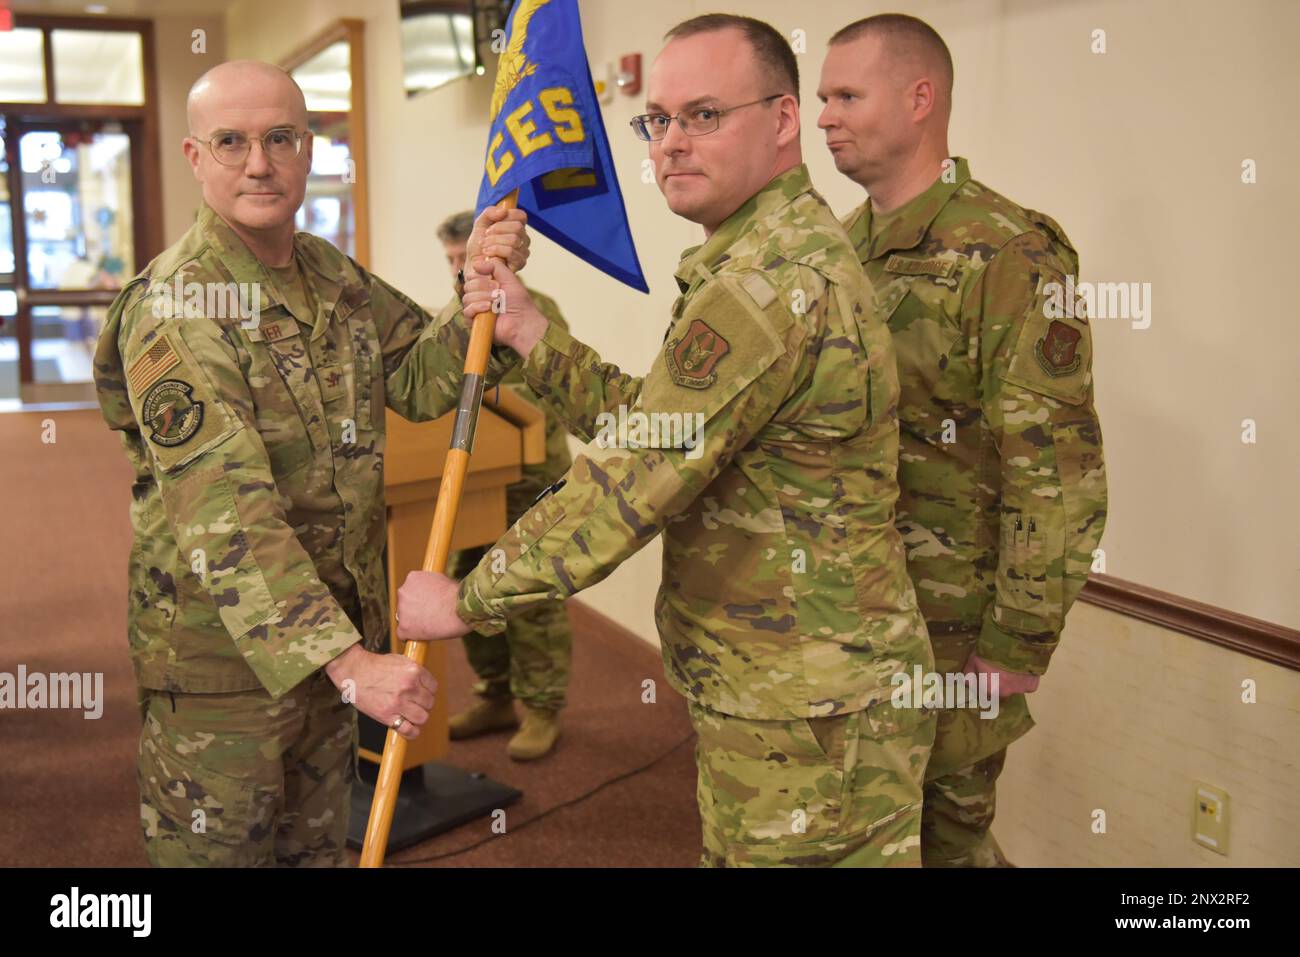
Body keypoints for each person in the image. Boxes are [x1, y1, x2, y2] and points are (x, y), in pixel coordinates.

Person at [397, 14, 935, 867]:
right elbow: (662, 431)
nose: (671, 144)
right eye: (659, 120)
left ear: (784, 120)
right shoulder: (757, 255)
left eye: (705, 115)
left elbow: (630, 478)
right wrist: (536, 335)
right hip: (787, 684)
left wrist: (465, 599)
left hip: (809, 705)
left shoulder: (766, 282)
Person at [92, 60, 528, 866]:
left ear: (309, 148)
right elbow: (228, 516)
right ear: (196, 157)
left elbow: (423, 377)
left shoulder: (330, 275)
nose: (258, 163)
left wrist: (479, 294)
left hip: (328, 655)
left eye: (280, 138)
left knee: (317, 849)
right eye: (232, 142)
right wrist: (353, 662)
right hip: (225, 673)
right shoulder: (179, 305)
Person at [816, 13, 1108, 866]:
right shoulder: (837, 248)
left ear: (919, 99)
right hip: (847, 616)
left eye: (846, 95)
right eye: (821, 96)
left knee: (944, 840)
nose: (826, 115)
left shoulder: (1008, 253)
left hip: (949, 629)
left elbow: (1057, 476)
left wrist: (1016, 645)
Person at [435, 211, 575, 760]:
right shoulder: (460, 316)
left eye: (463, 257)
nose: (459, 267)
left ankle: (542, 707)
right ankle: (494, 693)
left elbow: (547, 397)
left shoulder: (534, 310)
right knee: (468, 586)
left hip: (531, 475)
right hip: (475, 480)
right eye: (450, 260)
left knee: (530, 595)